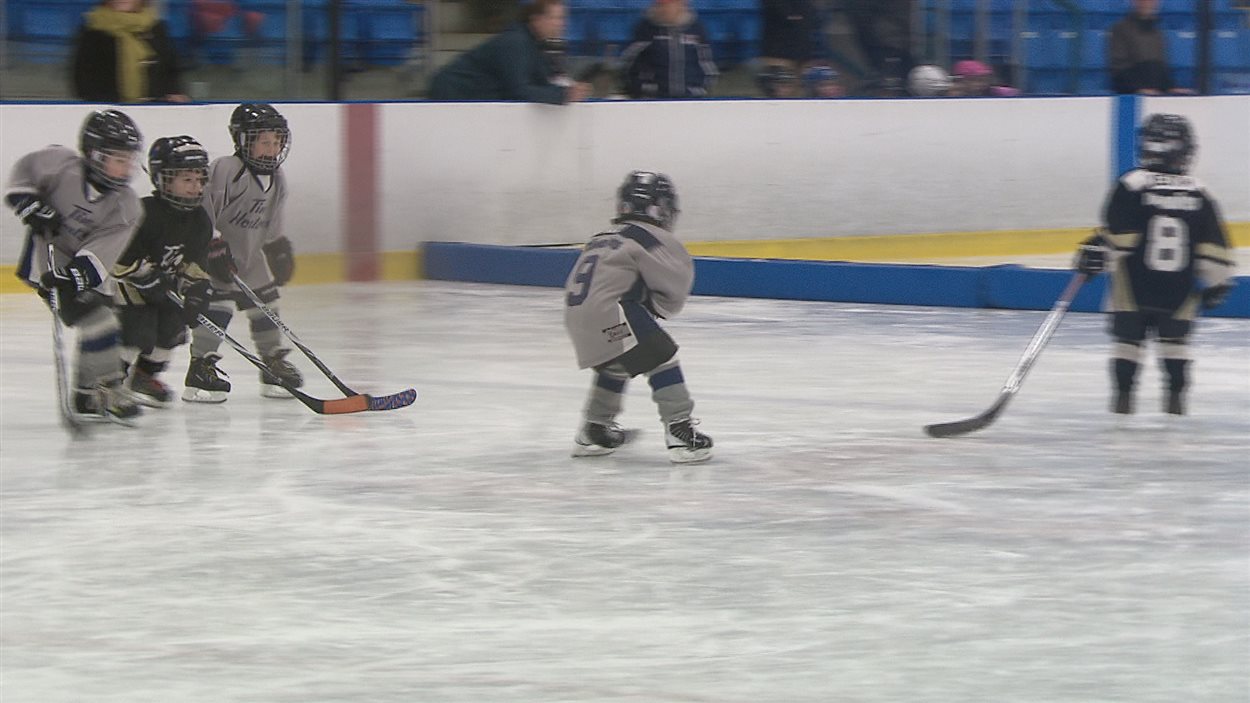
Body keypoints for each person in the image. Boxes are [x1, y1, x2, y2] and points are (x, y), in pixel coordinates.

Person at [1074, 113, 1234, 415]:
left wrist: (1095, 253)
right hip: (1179, 292)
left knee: (1127, 345)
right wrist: (1218, 282)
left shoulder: (1132, 184)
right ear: (1184, 150)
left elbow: (1121, 237)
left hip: (1132, 290)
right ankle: (1175, 402)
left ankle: (1122, 402)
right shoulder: (1200, 192)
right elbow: (1212, 244)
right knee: (1175, 345)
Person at [563, 171, 713, 464]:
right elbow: (674, 290)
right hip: (613, 313)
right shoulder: (650, 237)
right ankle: (680, 431)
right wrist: (655, 306)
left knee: (616, 362)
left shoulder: (602, 238)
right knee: (662, 357)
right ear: (659, 208)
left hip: (577, 319)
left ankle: (595, 429)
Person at [5, 110, 145, 421]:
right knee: (100, 322)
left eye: (129, 160)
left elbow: (102, 253)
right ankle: (108, 388)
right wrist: (29, 205)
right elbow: (21, 177)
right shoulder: (60, 164)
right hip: (46, 261)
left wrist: (73, 277)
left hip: (82, 271)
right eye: (118, 159)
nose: (126, 168)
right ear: (95, 155)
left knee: (102, 318)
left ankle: (85, 396)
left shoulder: (127, 205)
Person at [183, 103, 302, 403]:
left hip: (249, 258)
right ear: (244, 140)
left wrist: (277, 247)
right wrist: (211, 244)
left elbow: (271, 224)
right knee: (218, 309)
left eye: (277, 142)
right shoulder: (226, 169)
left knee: (267, 304)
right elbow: (203, 212)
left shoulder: (278, 179)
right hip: (216, 258)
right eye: (265, 141)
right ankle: (201, 366)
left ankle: (272, 362)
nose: (272, 149)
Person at [111, 136, 229, 407]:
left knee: (173, 329)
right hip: (128, 287)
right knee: (136, 330)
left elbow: (195, 264)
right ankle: (110, 380)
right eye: (186, 180)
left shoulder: (200, 220)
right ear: (163, 178)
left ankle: (144, 377)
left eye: (199, 180)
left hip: (165, 287)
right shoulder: (143, 212)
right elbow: (119, 256)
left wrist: (197, 290)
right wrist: (143, 276)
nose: (195, 187)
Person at [427, 0, 591, 104]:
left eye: (562, 18)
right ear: (537, 19)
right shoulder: (516, 42)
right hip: (455, 95)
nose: (561, 24)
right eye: (556, 18)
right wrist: (563, 95)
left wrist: (567, 90)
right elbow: (518, 90)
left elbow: (542, 81)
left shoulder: (534, 45)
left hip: (475, 98)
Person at [71, 0, 190, 104]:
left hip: (155, 114)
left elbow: (171, 70)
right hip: (110, 114)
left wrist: (174, 94)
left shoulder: (156, 28)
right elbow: (82, 80)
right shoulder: (92, 31)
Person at [619, 0, 718, 99]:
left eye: (673, 5)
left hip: (691, 99)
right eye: (663, 5)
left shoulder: (697, 29)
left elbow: (706, 64)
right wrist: (640, 90)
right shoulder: (645, 29)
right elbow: (629, 63)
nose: (668, 9)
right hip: (652, 99)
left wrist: (700, 89)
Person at [1109, 0, 1190, 95]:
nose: (1147, 3)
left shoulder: (1159, 33)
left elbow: (1161, 68)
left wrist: (1170, 87)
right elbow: (1119, 68)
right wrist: (1137, 89)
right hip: (1131, 97)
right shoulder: (1120, 29)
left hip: (1156, 96)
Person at [950, 59, 1019, 97]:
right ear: (961, 80)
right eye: (975, 80)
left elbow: (1015, 94)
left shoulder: (997, 92)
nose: (981, 84)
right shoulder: (953, 95)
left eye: (984, 80)